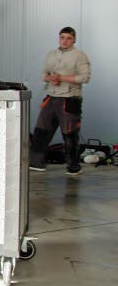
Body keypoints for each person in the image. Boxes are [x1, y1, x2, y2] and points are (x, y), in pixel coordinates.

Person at [29, 26, 91, 176]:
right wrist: (49, 78)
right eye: (62, 37)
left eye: (69, 38)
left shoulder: (80, 56)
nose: (65, 41)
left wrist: (61, 78)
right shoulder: (51, 55)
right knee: (41, 131)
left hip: (69, 100)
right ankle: (36, 163)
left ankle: (73, 167)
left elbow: (85, 78)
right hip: (52, 97)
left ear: (74, 40)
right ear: (59, 38)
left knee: (69, 134)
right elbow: (44, 74)